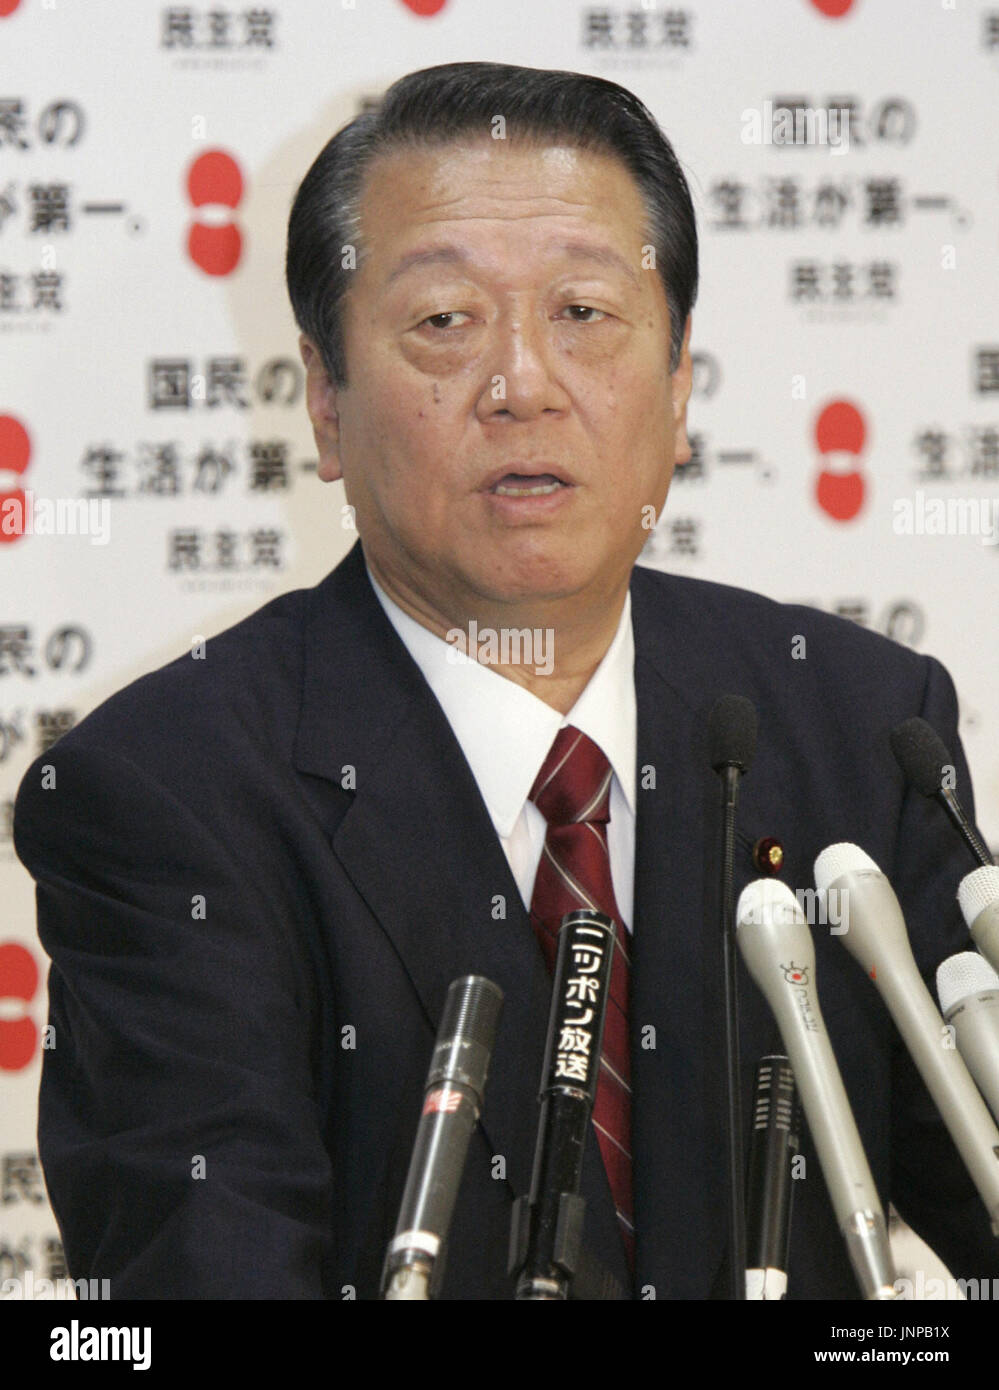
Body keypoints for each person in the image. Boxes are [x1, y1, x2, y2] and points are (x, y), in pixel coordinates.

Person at [14, 61, 998, 1301]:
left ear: (681, 379)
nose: (523, 382)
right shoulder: (169, 793)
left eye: (586, 312)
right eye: (443, 322)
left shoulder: (858, 727)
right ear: (324, 399)